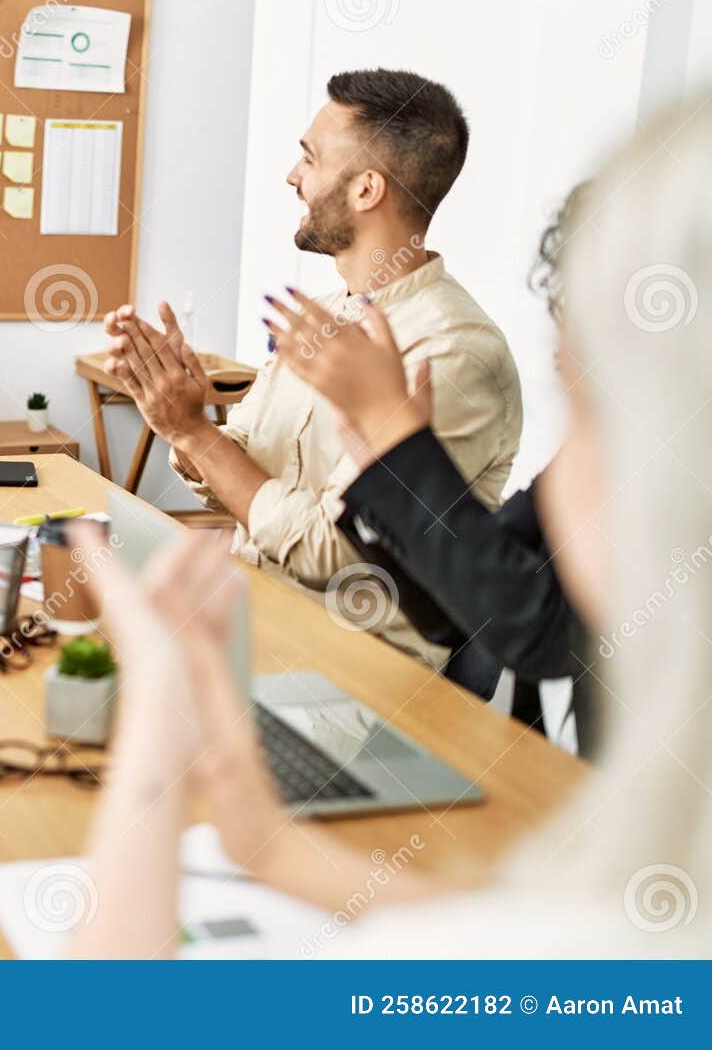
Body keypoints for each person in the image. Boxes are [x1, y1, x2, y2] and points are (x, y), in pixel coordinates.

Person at [70, 94, 712, 959]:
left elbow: (507, 615)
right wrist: (268, 844)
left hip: (358, 661)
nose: (292, 173)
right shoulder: (334, 323)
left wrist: (156, 721)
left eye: (588, 403)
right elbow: (451, 582)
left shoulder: (452, 349)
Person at [103, 69, 522, 668]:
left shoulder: (453, 353)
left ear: (366, 190)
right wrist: (185, 413)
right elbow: (245, 455)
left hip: (356, 675)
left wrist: (193, 432)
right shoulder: (324, 316)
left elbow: (338, 555)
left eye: (309, 158)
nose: (292, 177)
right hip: (253, 618)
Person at [264, 186, 594, 752]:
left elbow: (540, 632)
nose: (559, 347)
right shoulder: (596, 453)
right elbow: (464, 604)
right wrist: (385, 467)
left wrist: (397, 440)